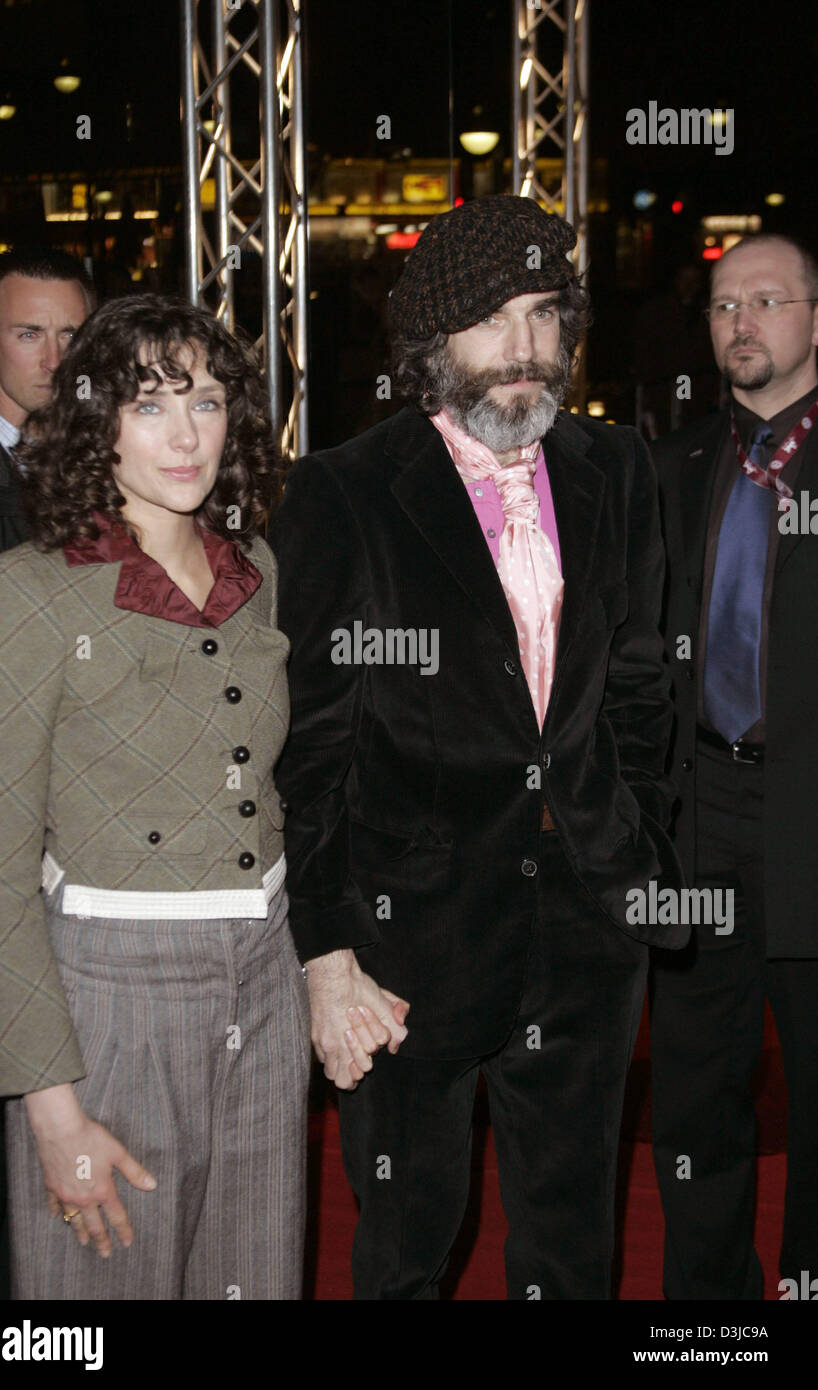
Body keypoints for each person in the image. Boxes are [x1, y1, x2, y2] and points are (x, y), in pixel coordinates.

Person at [269, 194, 686, 1301]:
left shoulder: (618, 468)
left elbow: (640, 683)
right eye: (491, 318)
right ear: (428, 342)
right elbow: (305, 752)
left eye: (546, 315)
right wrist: (323, 951)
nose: (524, 350)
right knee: (406, 1250)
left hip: (588, 936)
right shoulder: (342, 492)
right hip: (407, 946)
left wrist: (630, 840)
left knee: (571, 1247)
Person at [0, 294, 309, 1300]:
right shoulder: (30, 590)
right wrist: (51, 1108)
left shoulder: (258, 570)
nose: (186, 431)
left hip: (262, 976)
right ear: (94, 419)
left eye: (202, 399)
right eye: (148, 405)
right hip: (109, 994)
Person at [650, 233, 818, 1300]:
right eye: (721, 304)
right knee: (693, 1097)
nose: (739, 323)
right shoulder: (665, 468)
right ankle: (708, 1317)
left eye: (765, 300)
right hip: (695, 814)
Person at [0, 246, 94, 1295]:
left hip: (95, 873)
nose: (49, 356)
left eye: (70, 334)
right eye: (25, 332)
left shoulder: (132, 470)